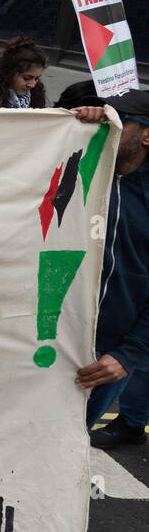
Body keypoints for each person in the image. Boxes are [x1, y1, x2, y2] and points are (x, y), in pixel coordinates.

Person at [64, 86, 149, 448]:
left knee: (66, 444)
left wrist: (128, 355)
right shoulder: (75, 163)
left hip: (105, 358)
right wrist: (77, 120)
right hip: (43, 336)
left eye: (119, 123)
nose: (107, 128)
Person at [0, 35, 48, 108]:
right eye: (26, 78)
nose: (32, 85)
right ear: (9, 72)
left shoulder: (36, 94)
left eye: (36, 78)